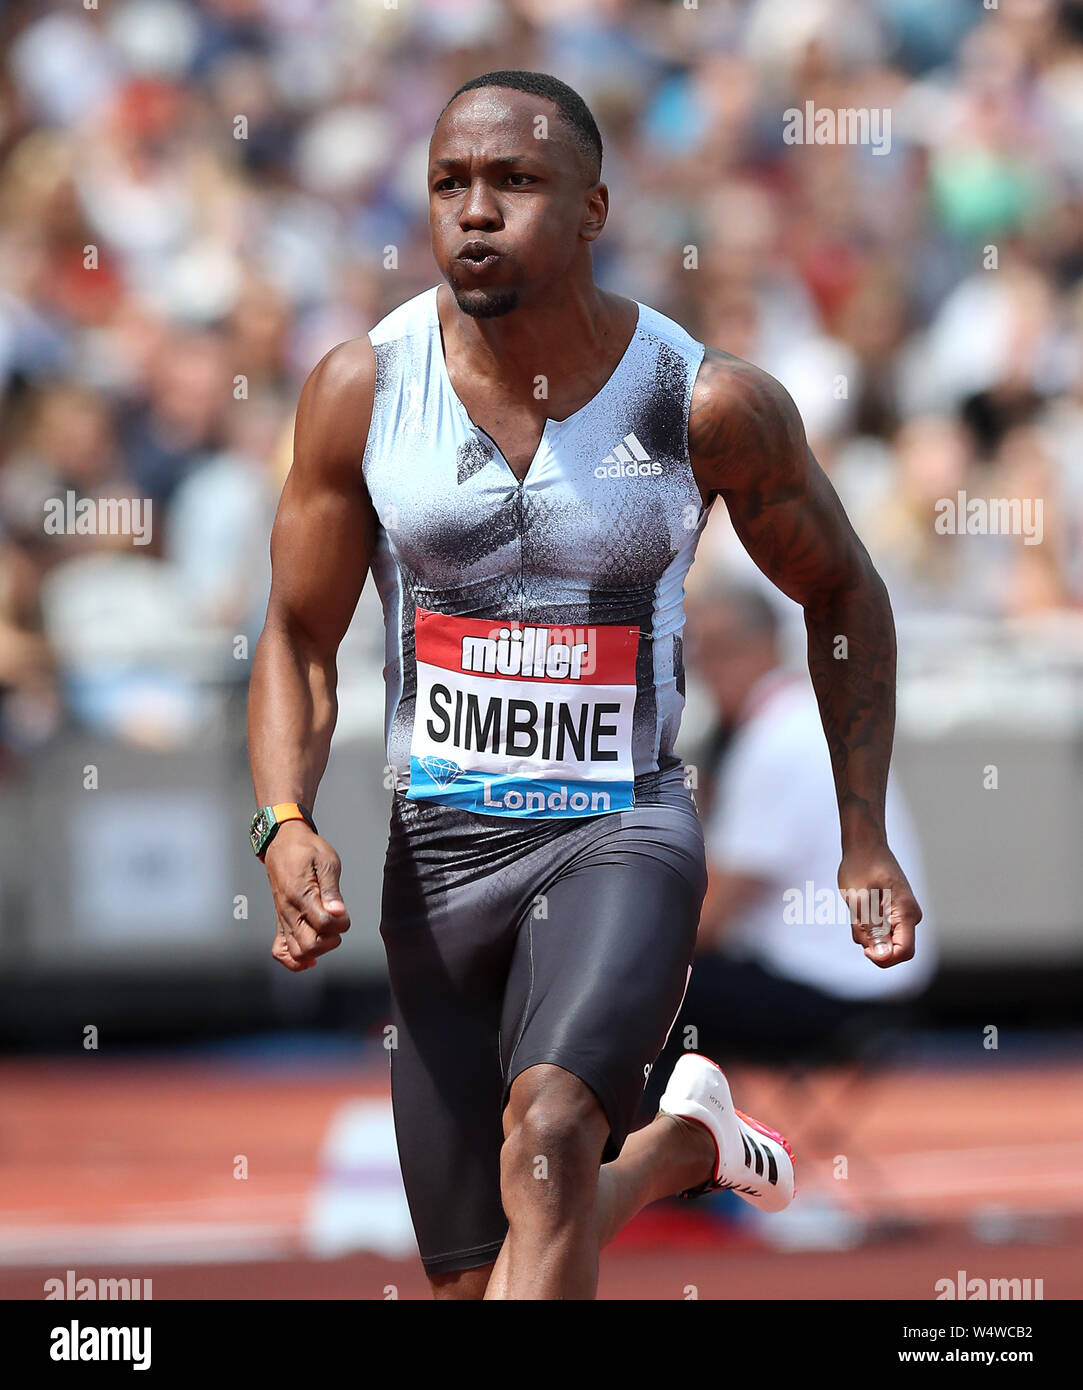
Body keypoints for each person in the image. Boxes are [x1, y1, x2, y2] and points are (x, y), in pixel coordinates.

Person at [246, 70, 922, 1301]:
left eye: (514, 182)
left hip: (618, 829)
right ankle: (682, 1149)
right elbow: (296, 636)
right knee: (480, 1275)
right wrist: (284, 820)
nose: (476, 212)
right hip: (436, 857)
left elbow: (844, 595)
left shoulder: (700, 403)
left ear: (595, 207)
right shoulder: (364, 388)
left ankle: (645, 1142)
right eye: (451, 183)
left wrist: (862, 836)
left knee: (550, 1137)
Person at [644, 584, 934, 1116]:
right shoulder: (795, 721)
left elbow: (709, 921)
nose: (707, 671)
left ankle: (662, 1175)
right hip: (865, 976)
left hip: (834, 988)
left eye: (717, 652)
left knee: (641, 991)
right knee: (656, 982)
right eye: (700, 654)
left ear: (765, 647)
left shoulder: (776, 739)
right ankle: (681, 1172)